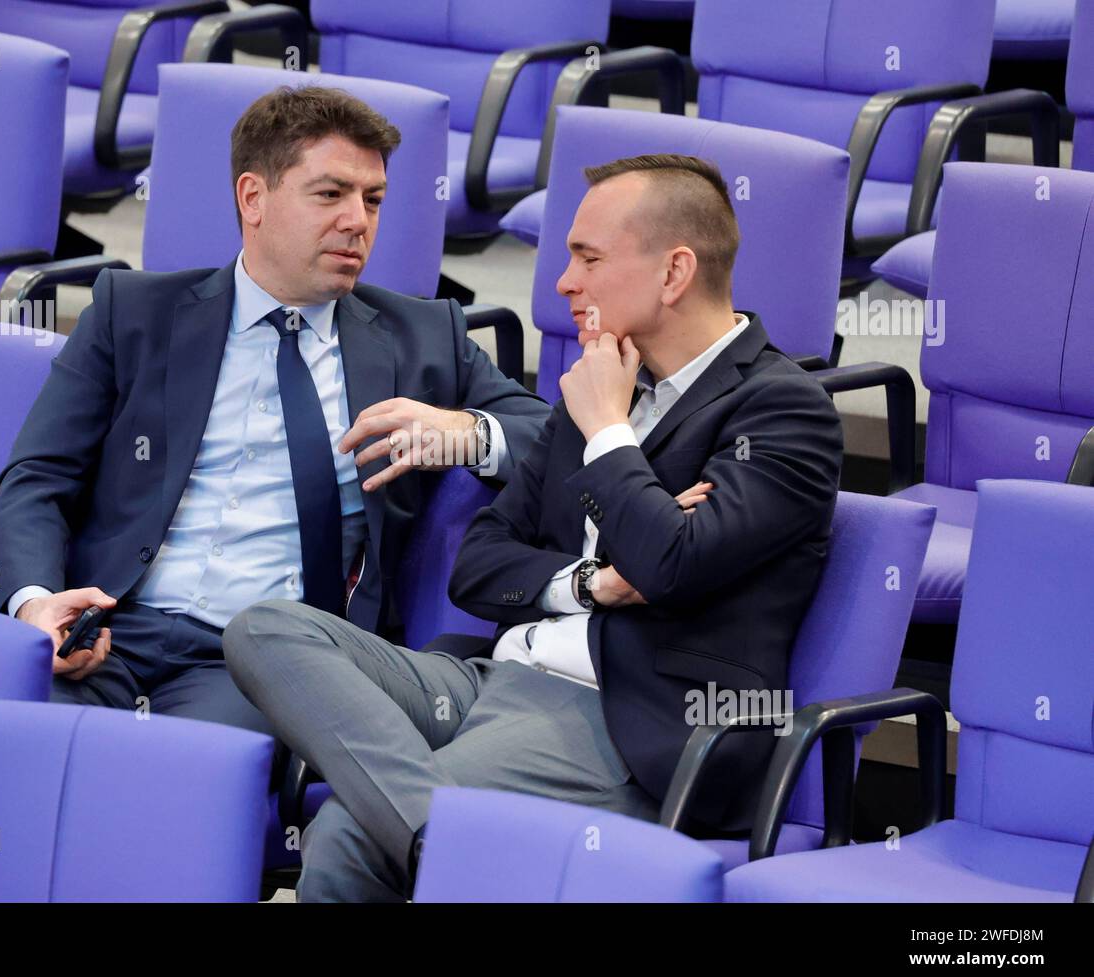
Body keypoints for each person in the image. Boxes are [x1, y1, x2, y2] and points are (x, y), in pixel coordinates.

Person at [222, 153, 845, 900]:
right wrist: (590, 581)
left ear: (674, 273)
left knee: (349, 834)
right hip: (492, 679)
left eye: (587, 257)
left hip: (621, 718)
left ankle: (430, 840)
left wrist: (612, 433)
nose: (563, 282)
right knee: (265, 630)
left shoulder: (782, 411)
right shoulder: (596, 382)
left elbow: (672, 565)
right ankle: (441, 840)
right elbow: (480, 563)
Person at [0, 86, 549, 731]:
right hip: (106, 629)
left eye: (373, 200)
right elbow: (36, 477)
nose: (357, 221)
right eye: (330, 194)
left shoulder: (425, 338)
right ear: (253, 198)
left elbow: (554, 438)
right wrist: (35, 603)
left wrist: (465, 431)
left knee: (176, 779)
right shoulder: (134, 312)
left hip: (260, 659)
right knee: (5, 742)